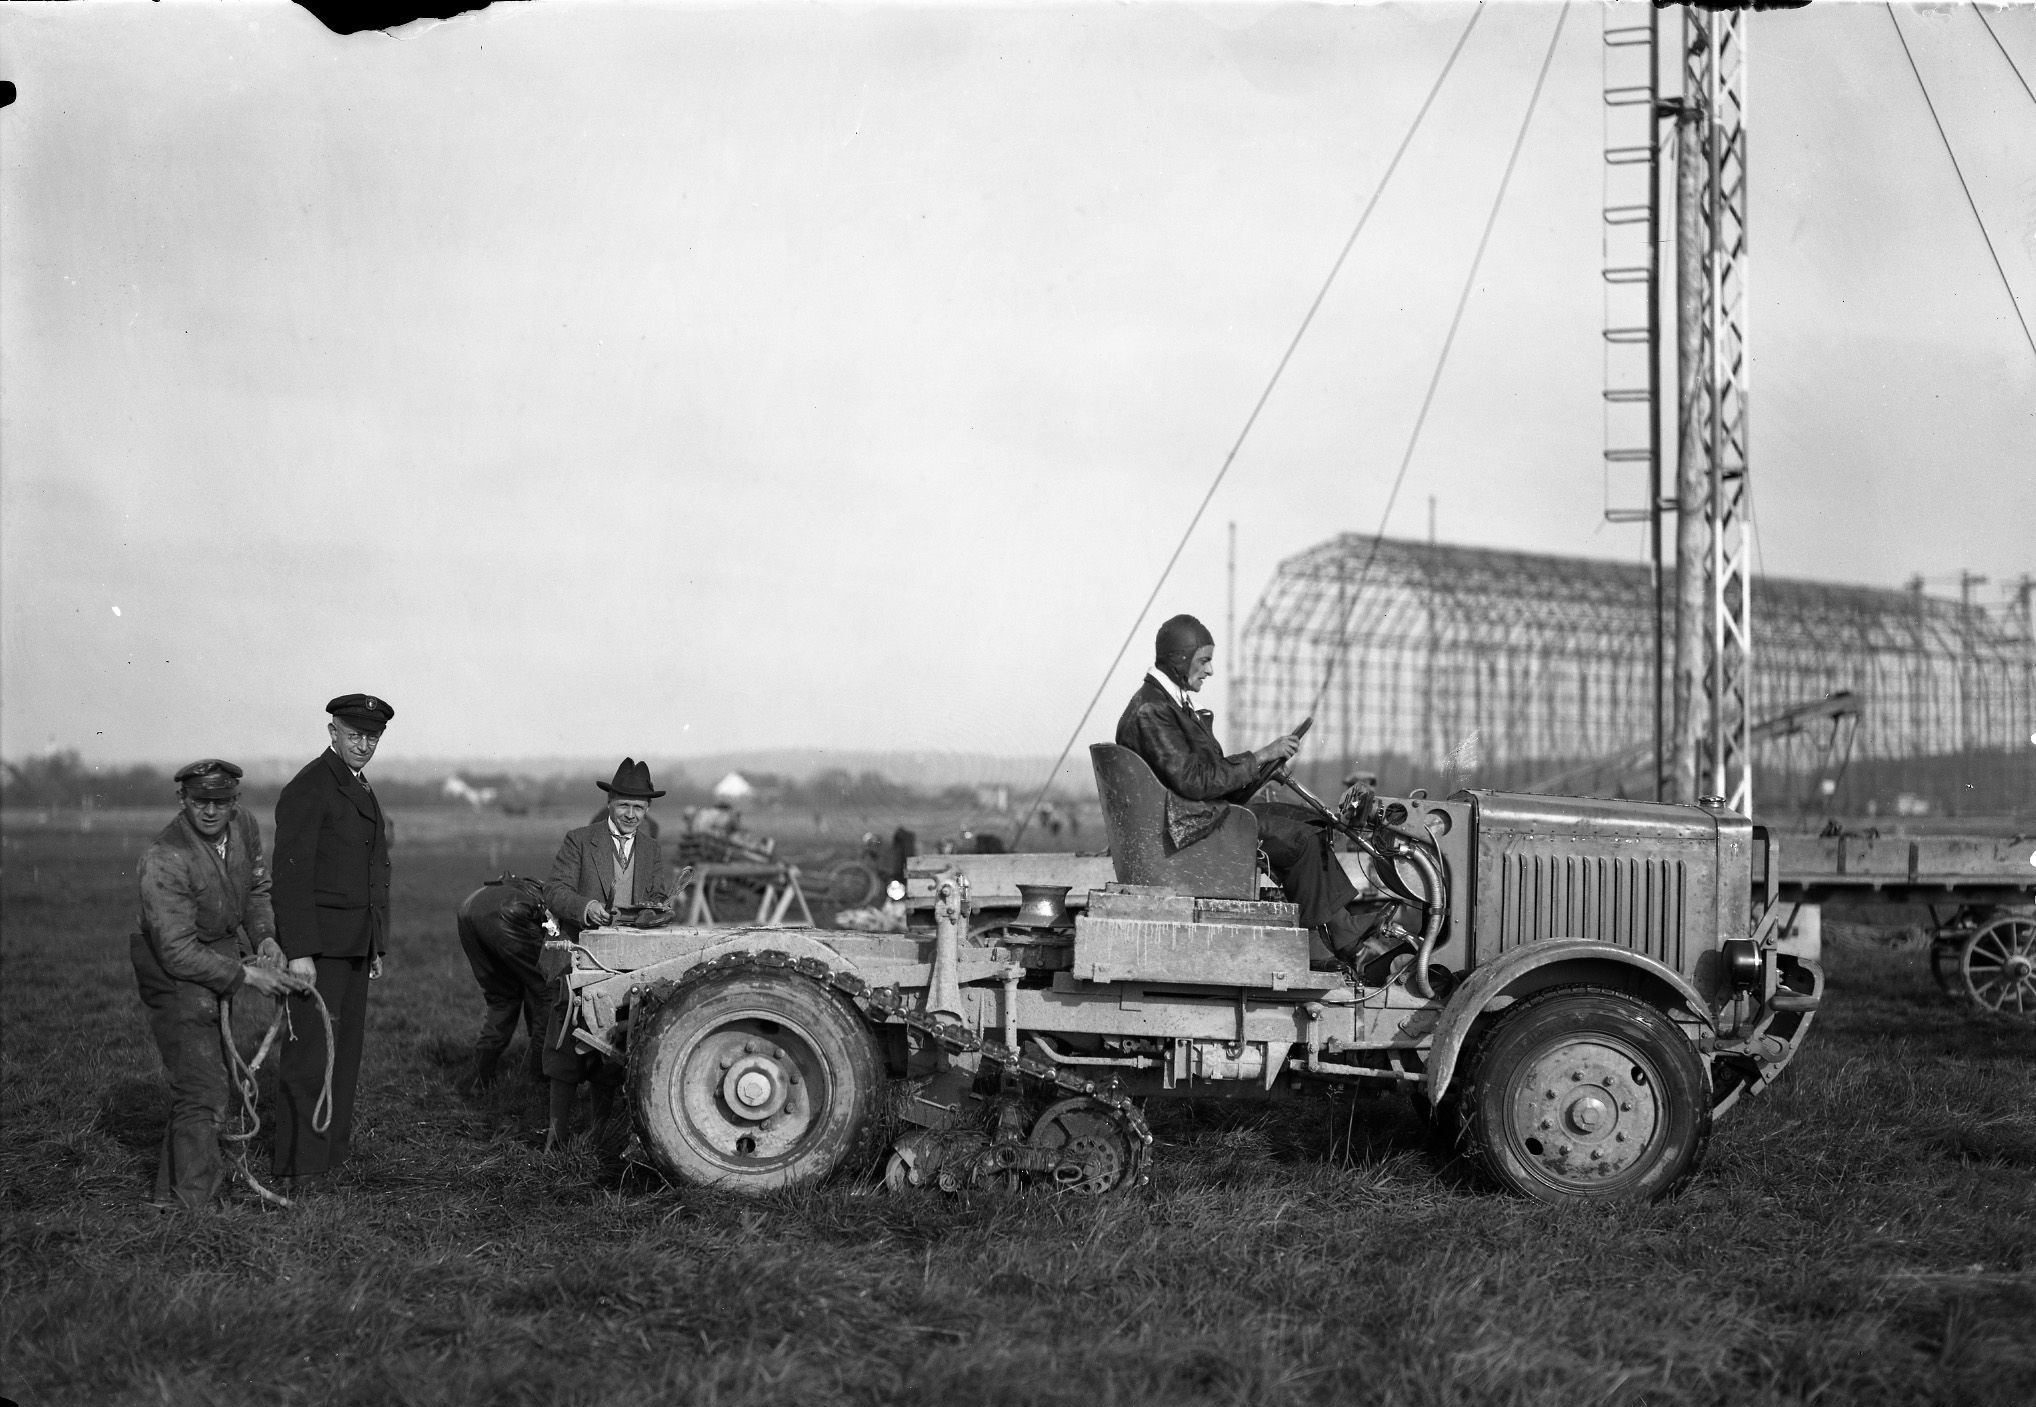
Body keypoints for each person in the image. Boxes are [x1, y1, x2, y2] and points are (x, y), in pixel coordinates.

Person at [1114, 614, 1399, 971]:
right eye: (1204, 660)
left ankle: (1339, 932)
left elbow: (1198, 777)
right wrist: (1260, 757)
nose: (1210, 670)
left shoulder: (1164, 704)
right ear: (1179, 659)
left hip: (1193, 819)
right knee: (1301, 840)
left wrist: (1261, 767)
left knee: (1310, 823)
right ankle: (1328, 941)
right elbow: (1194, 781)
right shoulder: (1153, 711)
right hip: (1188, 829)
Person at [131, 760, 309, 1210]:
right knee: (204, 1087)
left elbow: (256, 890)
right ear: (182, 800)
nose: (210, 811)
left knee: (207, 1080)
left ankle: (171, 1196)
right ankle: (194, 1206)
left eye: (220, 801)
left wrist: (265, 937)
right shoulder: (165, 857)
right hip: (172, 970)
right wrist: (248, 975)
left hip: (219, 953)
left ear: (235, 801)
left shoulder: (243, 825)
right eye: (199, 802)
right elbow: (176, 951)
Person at [271, 692, 394, 1191]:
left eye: (372, 737)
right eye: (354, 734)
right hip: (318, 950)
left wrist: (375, 944)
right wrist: (299, 951)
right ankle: (300, 1168)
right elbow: (290, 877)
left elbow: (369, 870)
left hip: (353, 945)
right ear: (333, 733)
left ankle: (329, 1158)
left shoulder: (357, 784)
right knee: (309, 1059)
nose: (363, 744)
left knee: (343, 1055)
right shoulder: (310, 786)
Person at [540, 758, 671, 1147]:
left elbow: (657, 897)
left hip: (628, 960)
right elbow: (554, 891)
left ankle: (600, 1133)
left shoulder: (651, 849)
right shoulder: (580, 840)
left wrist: (655, 912)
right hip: (579, 953)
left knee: (615, 1040)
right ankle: (556, 1135)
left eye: (639, 808)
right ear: (610, 803)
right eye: (624, 805)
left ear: (648, 809)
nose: (631, 814)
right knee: (566, 1040)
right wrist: (587, 907)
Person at [453, 875, 554, 1094]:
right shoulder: (560, 900)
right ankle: (541, 1078)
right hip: (508, 911)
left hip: (468, 909)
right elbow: (541, 984)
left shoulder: (531, 887)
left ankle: (480, 1078)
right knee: (548, 991)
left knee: (503, 998)